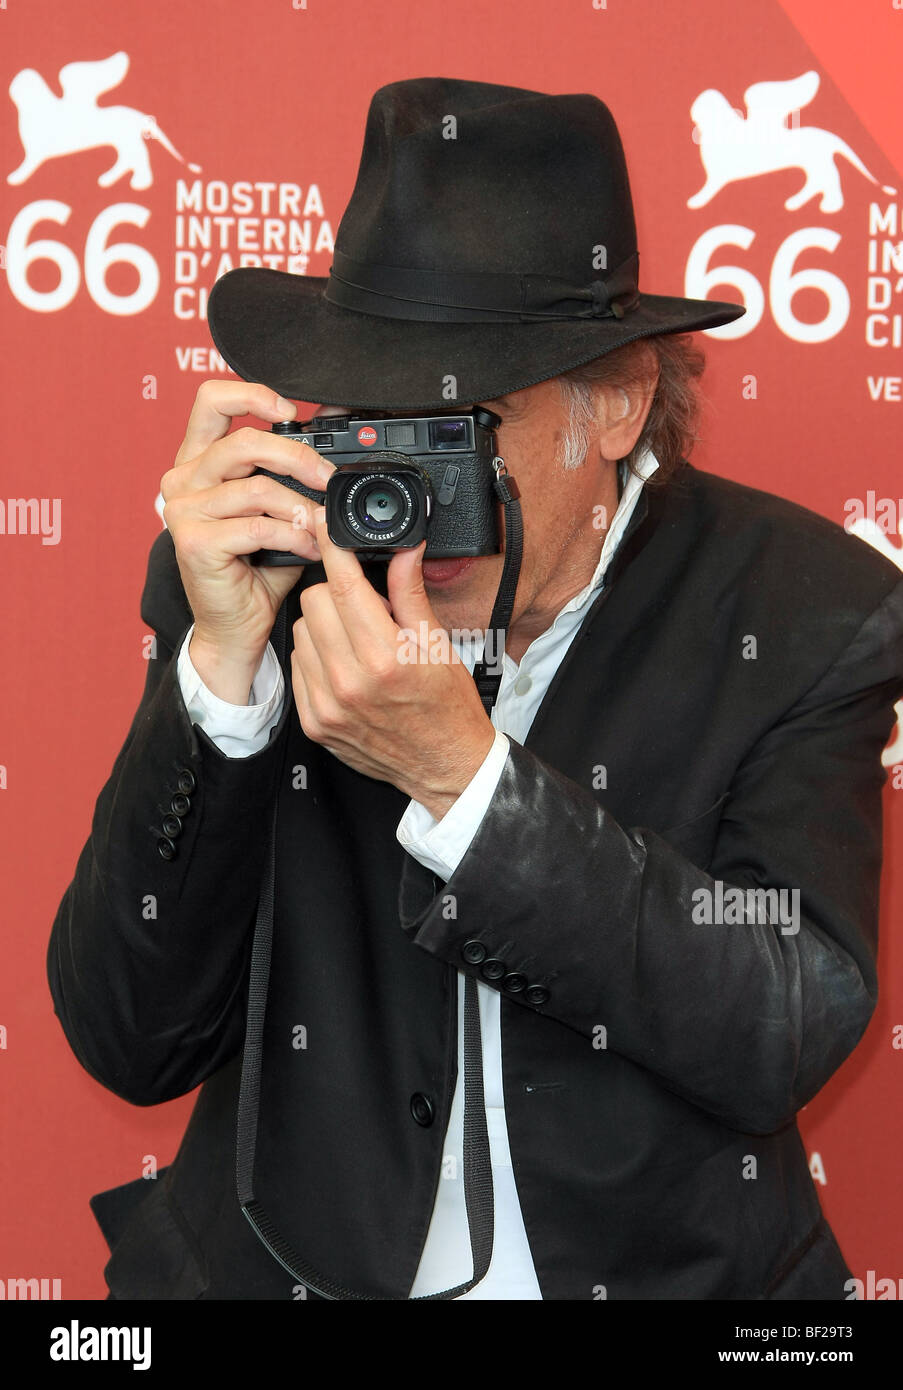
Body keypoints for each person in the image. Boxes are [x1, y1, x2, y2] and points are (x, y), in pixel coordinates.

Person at [49, 77, 903, 1300]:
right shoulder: (265, 579)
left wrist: (469, 787)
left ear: (613, 404)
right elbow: (128, 1040)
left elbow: (783, 1022)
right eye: (378, 422)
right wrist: (221, 685)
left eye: (465, 425)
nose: (411, 481)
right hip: (283, 1264)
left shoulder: (808, 610)